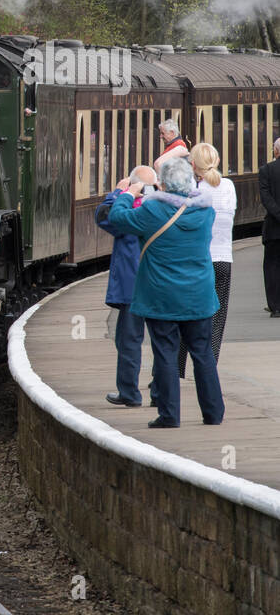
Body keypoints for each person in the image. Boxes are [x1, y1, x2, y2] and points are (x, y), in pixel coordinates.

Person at [106, 156, 224, 428]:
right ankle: (213, 413)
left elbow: (117, 218)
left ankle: (170, 415)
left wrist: (127, 193)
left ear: (161, 184)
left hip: (162, 296)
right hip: (199, 295)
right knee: (203, 353)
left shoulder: (152, 211)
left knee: (166, 354)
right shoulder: (206, 212)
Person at [96, 165, 157, 407]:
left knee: (129, 340)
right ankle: (160, 392)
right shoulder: (161, 210)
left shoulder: (128, 213)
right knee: (162, 342)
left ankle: (130, 392)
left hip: (133, 288)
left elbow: (103, 216)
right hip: (159, 286)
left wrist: (119, 194)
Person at [177, 143, 234, 375]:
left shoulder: (191, 188)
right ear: (217, 161)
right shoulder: (228, 186)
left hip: (196, 261)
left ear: (193, 165)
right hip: (223, 260)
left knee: (185, 316)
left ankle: (175, 368)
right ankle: (208, 369)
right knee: (217, 318)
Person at [262, 136, 280, 317]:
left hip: (273, 227)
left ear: (276, 151)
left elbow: (265, 198)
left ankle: (275, 306)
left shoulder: (266, 170)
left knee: (272, 267)